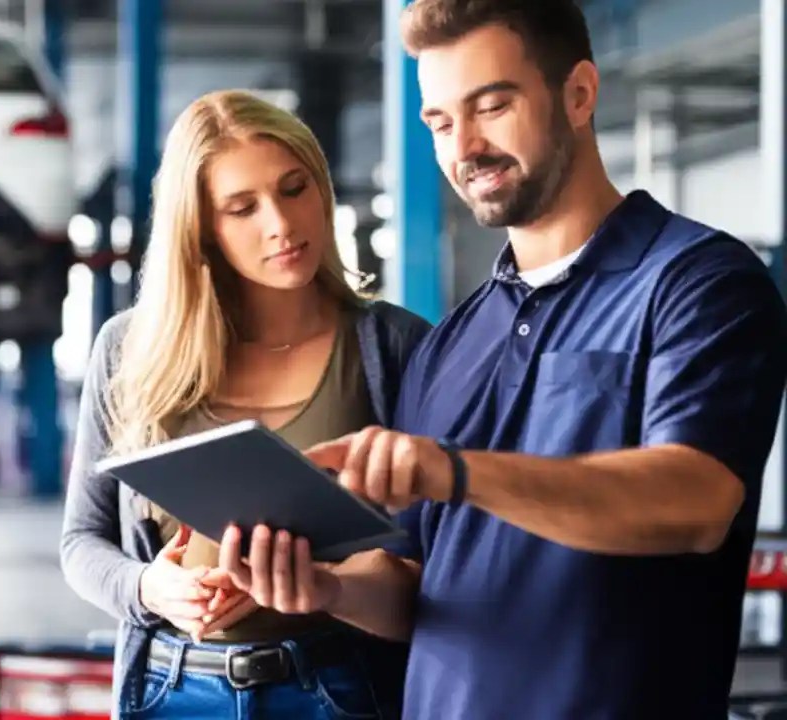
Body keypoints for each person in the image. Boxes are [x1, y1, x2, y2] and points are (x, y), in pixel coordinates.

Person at [216, 1, 787, 719]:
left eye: (492, 106)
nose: (466, 148)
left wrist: (455, 471)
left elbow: (695, 500)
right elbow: (418, 583)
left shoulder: (697, 282)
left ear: (578, 93)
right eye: (441, 123)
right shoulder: (451, 341)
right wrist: (328, 589)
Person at [59, 89, 430, 719]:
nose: (281, 224)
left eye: (294, 188)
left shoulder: (394, 346)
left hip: (340, 686)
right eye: (242, 208)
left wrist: (324, 586)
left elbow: (434, 569)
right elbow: (82, 542)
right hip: (169, 689)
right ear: (201, 230)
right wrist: (151, 587)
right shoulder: (130, 350)